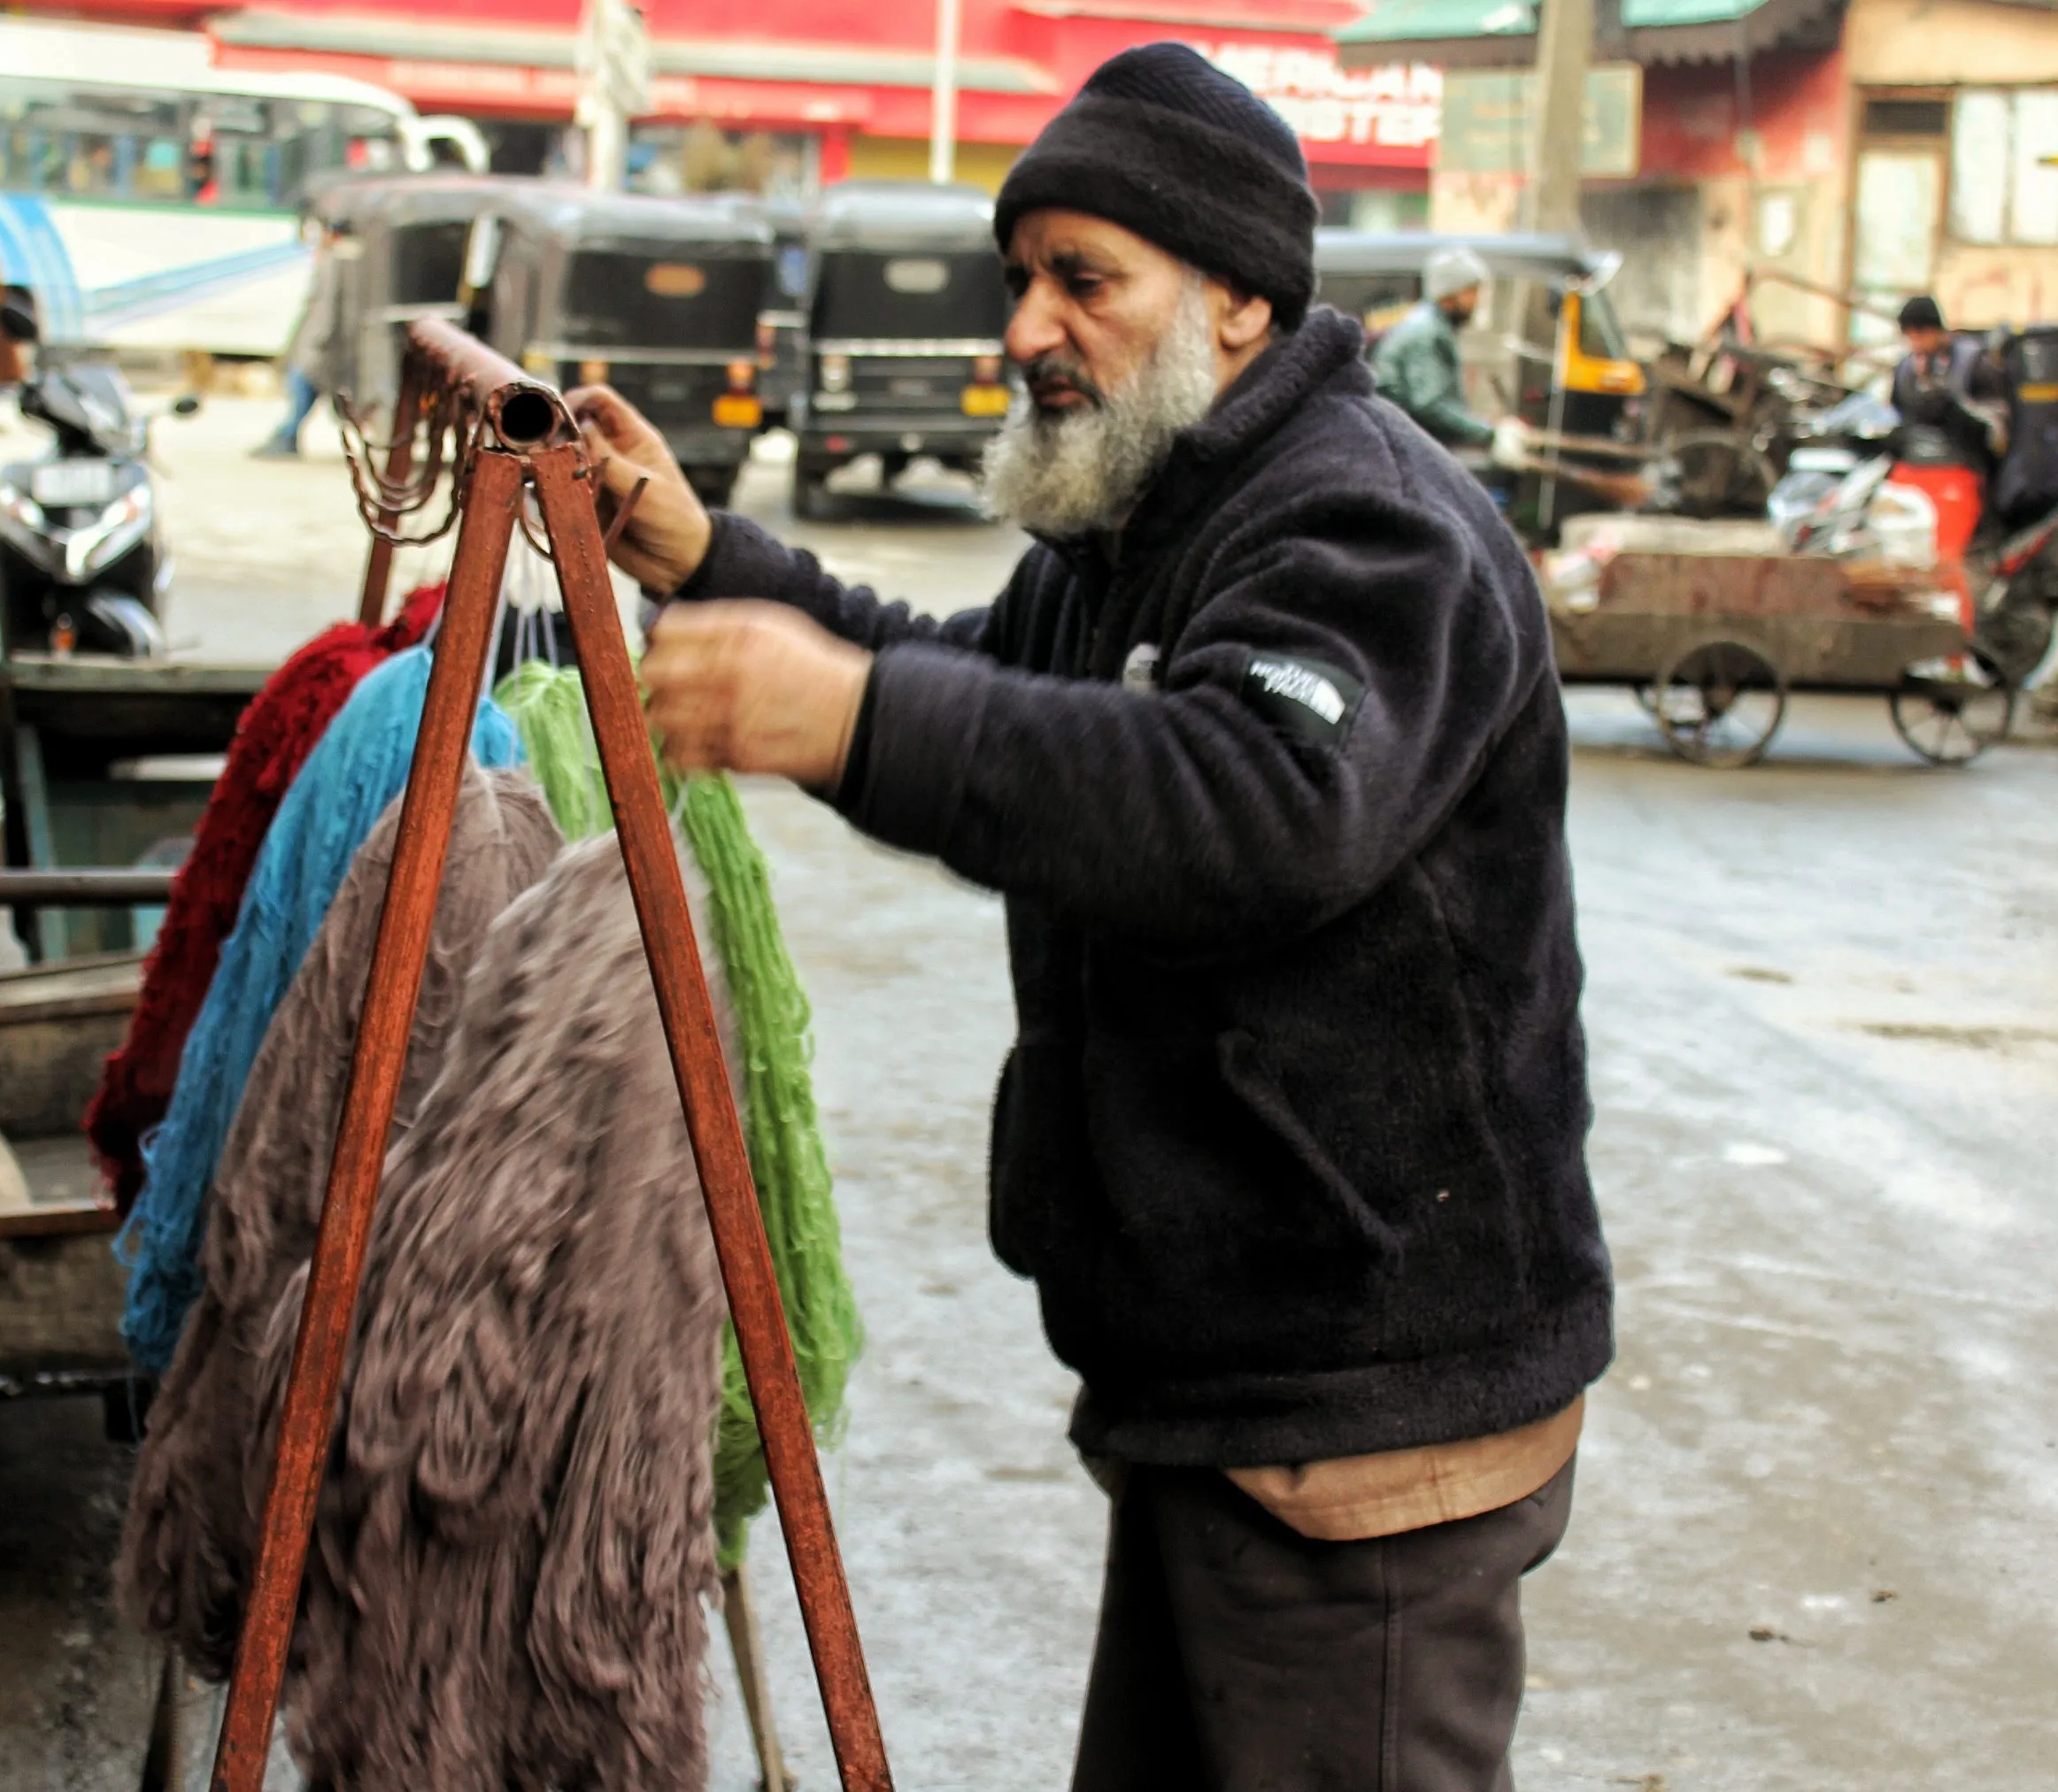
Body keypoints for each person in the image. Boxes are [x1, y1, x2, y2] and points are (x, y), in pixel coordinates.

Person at [580, 43, 1610, 1790]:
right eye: (1019, 278)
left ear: (1236, 298)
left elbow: (1259, 800)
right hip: (1225, 1383)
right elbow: (982, 670)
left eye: (1085, 278)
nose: (1028, 327)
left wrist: (846, 719)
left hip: (1367, 1415)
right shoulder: (1134, 518)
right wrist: (709, 559)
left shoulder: (1365, 524)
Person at [1888, 295, 2008, 624]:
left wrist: (1959, 409)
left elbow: (1997, 425)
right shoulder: (1905, 369)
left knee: (1945, 561)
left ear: (1936, 330)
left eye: (1920, 333)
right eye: (1909, 335)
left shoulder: (1974, 364)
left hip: (1958, 473)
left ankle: (1954, 645)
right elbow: (1897, 414)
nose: (1915, 342)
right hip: (1912, 472)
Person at [1370, 244, 1529, 467]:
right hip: (1407, 455)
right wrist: (1489, 434)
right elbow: (1429, 405)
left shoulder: (1431, 326)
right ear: (1450, 293)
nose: (1477, 300)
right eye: (1472, 291)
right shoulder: (1428, 332)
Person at [253, 217, 345, 460]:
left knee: (302, 389)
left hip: (316, 345)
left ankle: (287, 436)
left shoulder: (333, 264)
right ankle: (287, 435)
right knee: (303, 394)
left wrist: (316, 341)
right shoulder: (330, 261)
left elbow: (327, 309)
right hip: (313, 343)